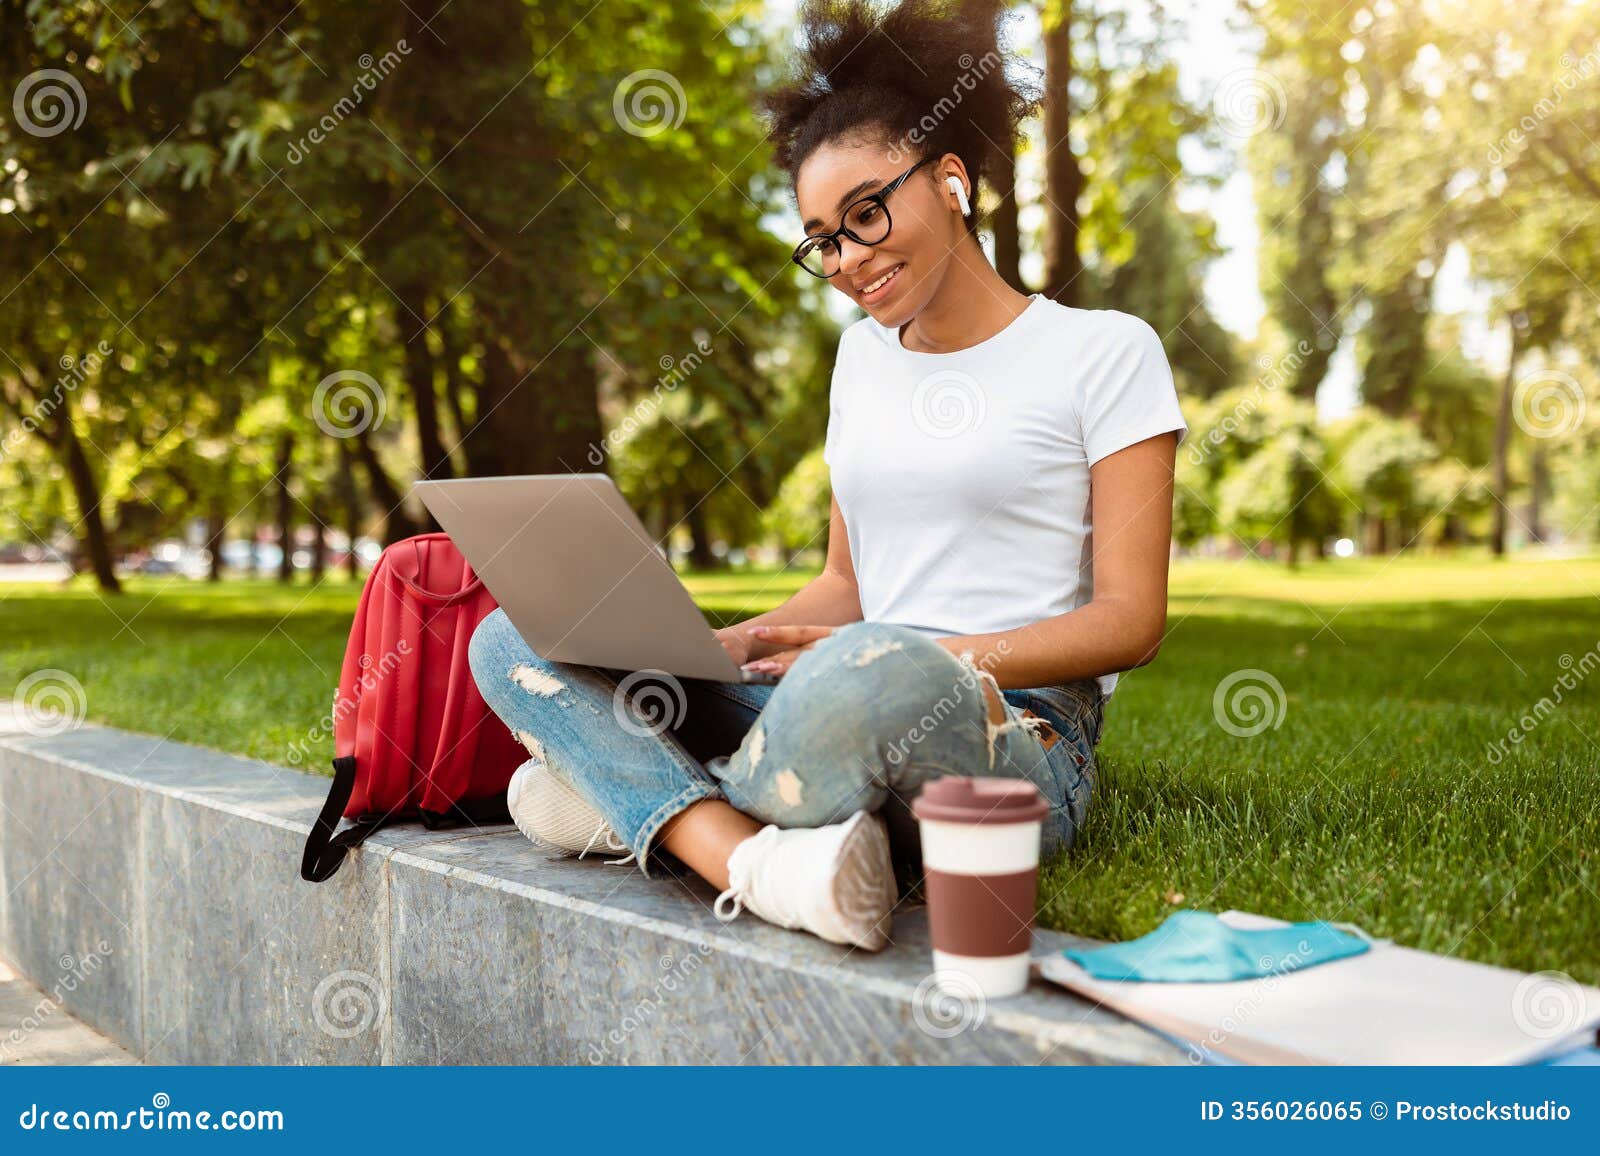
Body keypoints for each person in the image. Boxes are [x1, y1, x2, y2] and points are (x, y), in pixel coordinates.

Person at [469, 0, 1187, 952]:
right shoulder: (861, 361)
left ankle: (636, 800)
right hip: (826, 699)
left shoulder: (1105, 351)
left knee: (859, 677)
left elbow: (1129, 626)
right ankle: (763, 861)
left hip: (1013, 734)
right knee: (508, 636)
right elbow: (847, 585)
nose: (850, 259)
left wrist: (913, 661)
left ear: (953, 180)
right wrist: (730, 644)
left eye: (866, 212)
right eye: (824, 239)